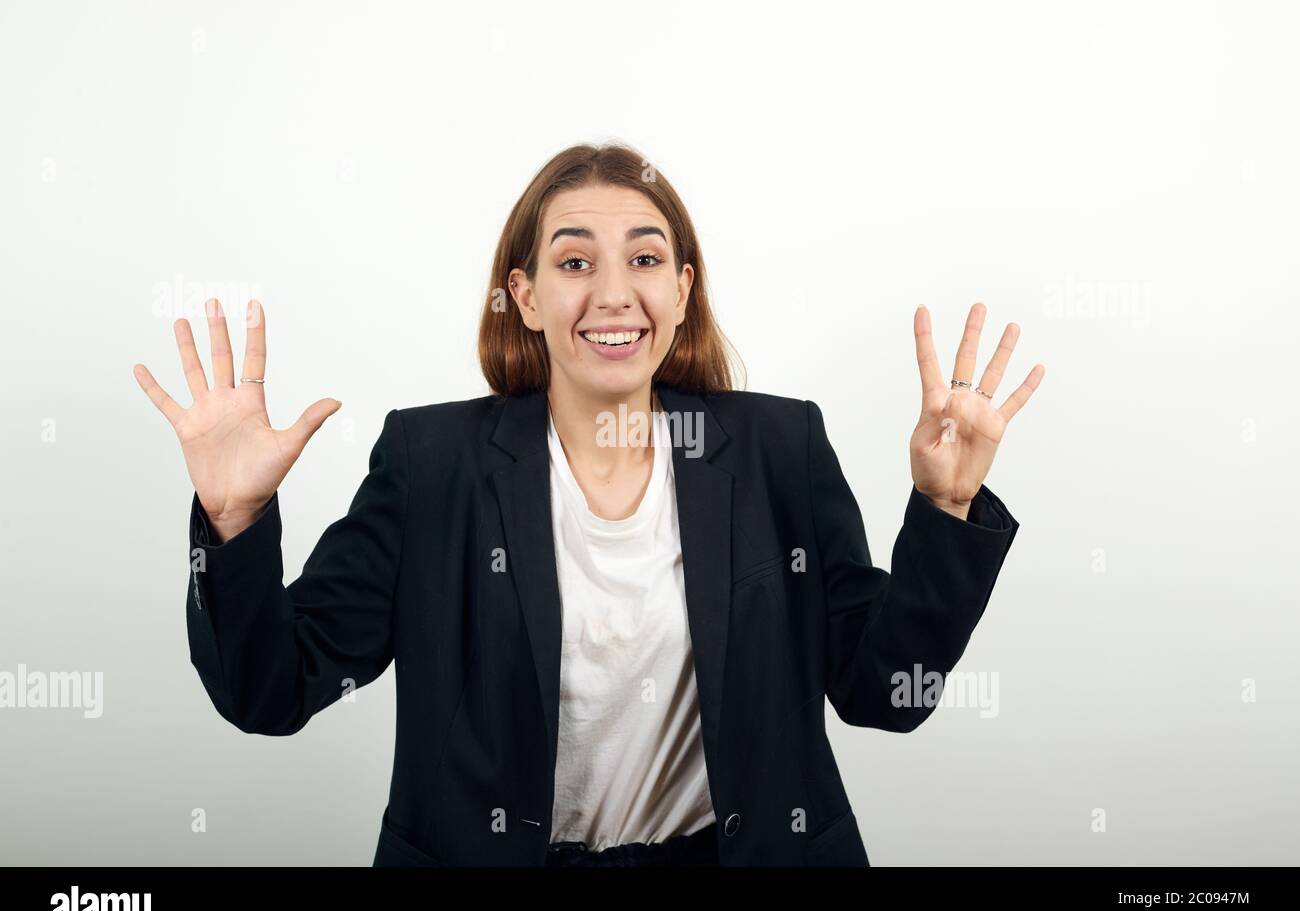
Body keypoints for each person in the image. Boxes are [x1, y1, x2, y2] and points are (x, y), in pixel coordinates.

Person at [132, 142, 1044, 867]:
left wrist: (945, 510)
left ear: (682, 293)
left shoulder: (778, 449)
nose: (614, 293)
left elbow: (883, 692)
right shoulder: (433, 463)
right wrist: (234, 522)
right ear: (524, 298)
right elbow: (272, 688)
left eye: (646, 258)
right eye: (574, 262)